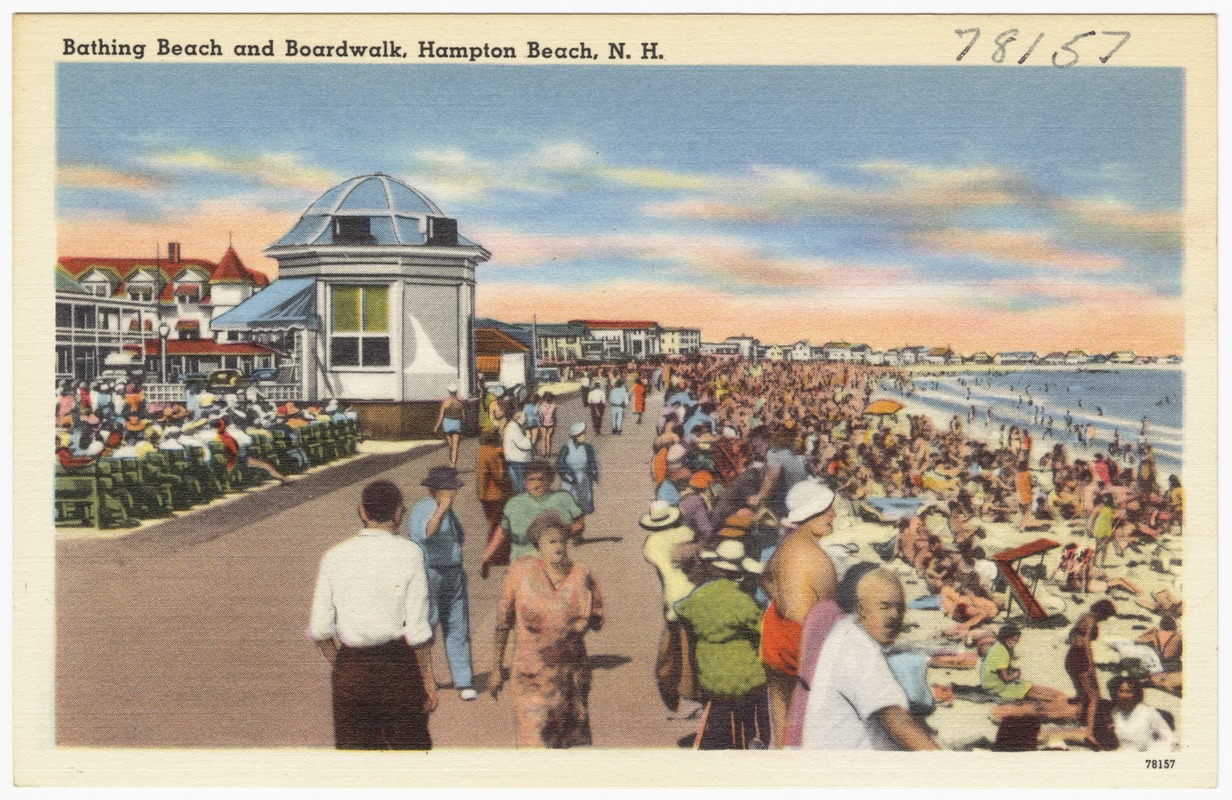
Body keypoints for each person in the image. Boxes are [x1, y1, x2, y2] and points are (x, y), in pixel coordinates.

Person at [308, 480, 438, 749]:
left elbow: (320, 630)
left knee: (358, 763)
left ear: (362, 512)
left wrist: (342, 665)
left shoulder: (334, 556)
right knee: (410, 757)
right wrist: (427, 680)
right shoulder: (410, 553)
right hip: (398, 666)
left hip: (352, 666)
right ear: (399, 512)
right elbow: (417, 629)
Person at [491, 510, 604, 748]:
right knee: (535, 745)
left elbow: (597, 619)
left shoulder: (581, 575)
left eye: (563, 540)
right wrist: (496, 668)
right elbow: (503, 622)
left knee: (565, 748)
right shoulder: (520, 573)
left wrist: (576, 626)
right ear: (538, 544)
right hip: (529, 676)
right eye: (552, 541)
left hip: (569, 679)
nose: (559, 546)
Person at [799, 568, 940, 750]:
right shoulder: (856, 648)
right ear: (862, 610)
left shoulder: (849, 632)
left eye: (900, 608)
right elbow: (896, 719)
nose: (894, 615)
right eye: (885, 607)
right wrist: (943, 761)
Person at [759, 480, 839, 748]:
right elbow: (828, 615)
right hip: (801, 643)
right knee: (807, 724)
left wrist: (784, 599)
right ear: (810, 515)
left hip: (776, 633)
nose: (834, 514)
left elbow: (765, 578)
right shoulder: (819, 560)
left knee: (781, 719)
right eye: (827, 510)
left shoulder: (786, 546)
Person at [674, 539, 770, 749]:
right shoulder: (743, 601)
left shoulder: (697, 597)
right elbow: (762, 628)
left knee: (720, 712)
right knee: (755, 711)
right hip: (747, 677)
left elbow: (679, 612)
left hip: (710, 674)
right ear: (740, 571)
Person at [406, 466, 477, 701]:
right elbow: (426, 533)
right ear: (435, 489)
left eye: (454, 488)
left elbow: (460, 537)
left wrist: (447, 510)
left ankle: (464, 680)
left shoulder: (451, 511)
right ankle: (421, 678)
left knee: (458, 625)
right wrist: (442, 509)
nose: (453, 492)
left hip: (454, 572)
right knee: (427, 625)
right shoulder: (424, 508)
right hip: (431, 572)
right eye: (449, 488)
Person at [641, 500, 701, 712]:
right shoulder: (685, 532)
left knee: (675, 647)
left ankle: (677, 689)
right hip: (695, 591)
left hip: (672, 597)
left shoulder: (650, 544)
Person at [481, 460, 584, 577]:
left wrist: (557, 534)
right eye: (531, 479)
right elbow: (502, 531)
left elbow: (580, 524)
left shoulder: (563, 498)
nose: (536, 484)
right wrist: (486, 557)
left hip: (553, 566)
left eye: (541, 479)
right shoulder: (514, 503)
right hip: (520, 564)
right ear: (525, 482)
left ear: (550, 480)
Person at [1067, 599, 1118, 749]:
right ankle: (1089, 734)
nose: (1106, 619)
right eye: (1106, 616)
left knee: (1087, 693)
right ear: (1101, 612)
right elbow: (1085, 645)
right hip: (1080, 658)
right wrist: (1089, 664)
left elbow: (1073, 638)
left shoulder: (1084, 616)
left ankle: (1080, 717)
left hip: (1072, 656)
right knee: (1094, 698)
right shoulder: (1090, 621)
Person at [979, 623, 1067, 702]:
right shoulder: (1001, 652)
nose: (1016, 641)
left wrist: (1013, 671)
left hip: (992, 683)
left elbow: (997, 668)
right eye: (1014, 639)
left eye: (1017, 639)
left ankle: (1062, 697)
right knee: (1031, 691)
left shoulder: (999, 646)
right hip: (996, 687)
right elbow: (1005, 678)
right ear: (1007, 638)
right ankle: (1060, 699)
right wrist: (1016, 675)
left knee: (1031, 687)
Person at [476, 427, 514, 567]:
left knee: (494, 523)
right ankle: (498, 555)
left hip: (484, 494)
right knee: (499, 525)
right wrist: (510, 488)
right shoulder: (492, 453)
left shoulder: (483, 450)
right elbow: (499, 475)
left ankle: (496, 554)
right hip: (495, 495)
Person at [1109, 676, 1177, 752]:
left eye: (1129, 691)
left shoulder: (1148, 712)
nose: (1125, 696)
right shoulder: (1115, 712)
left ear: (1136, 694)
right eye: (1121, 691)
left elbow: (1170, 738)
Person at [556, 421, 599, 515]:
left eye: (584, 433)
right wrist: (567, 476)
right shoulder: (567, 447)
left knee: (584, 498)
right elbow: (560, 463)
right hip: (570, 477)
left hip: (584, 477)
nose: (584, 436)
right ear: (575, 436)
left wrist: (594, 472)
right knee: (570, 499)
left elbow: (592, 462)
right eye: (581, 434)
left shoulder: (588, 447)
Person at [433, 383, 465, 469]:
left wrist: (436, 427)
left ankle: (451, 452)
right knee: (455, 446)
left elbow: (441, 416)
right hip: (457, 423)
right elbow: (463, 416)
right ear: (456, 392)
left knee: (450, 444)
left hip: (447, 423)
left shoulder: (445, 402)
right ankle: (453, 464)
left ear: (449, 392)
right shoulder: (460, 403)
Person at [502, 409, 535, 494]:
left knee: (518, 483)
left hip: (515, 459)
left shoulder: (514, 426)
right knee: (521, 484)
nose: (526, 417)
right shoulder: (514, 428)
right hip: (518, 460)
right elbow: (525, 445)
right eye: (524, 415)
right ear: (518, 417)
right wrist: (529, 436)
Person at [537, 391, 558, 456]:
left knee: (543, 437)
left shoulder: (540, 406)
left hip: (543, 423)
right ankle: (548, 452)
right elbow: (554, 416)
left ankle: (544, 452)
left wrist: (539, 423)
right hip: (551, 423)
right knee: (549, 437)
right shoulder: (553, 406)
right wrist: (555, 423)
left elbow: (540, 416)